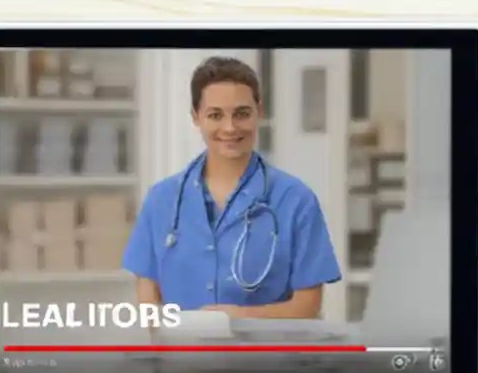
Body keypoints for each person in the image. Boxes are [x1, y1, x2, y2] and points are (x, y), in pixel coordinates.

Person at [121, 56, 341, 319]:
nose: (230, 127)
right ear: (196, 117)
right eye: (215, 115)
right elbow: (148, 301)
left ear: (259, 111)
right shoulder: (162, 200)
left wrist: (238, 318)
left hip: (268, 347)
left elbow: (308, 306)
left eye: (242, 114)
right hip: (181, 346)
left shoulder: (295, 200)